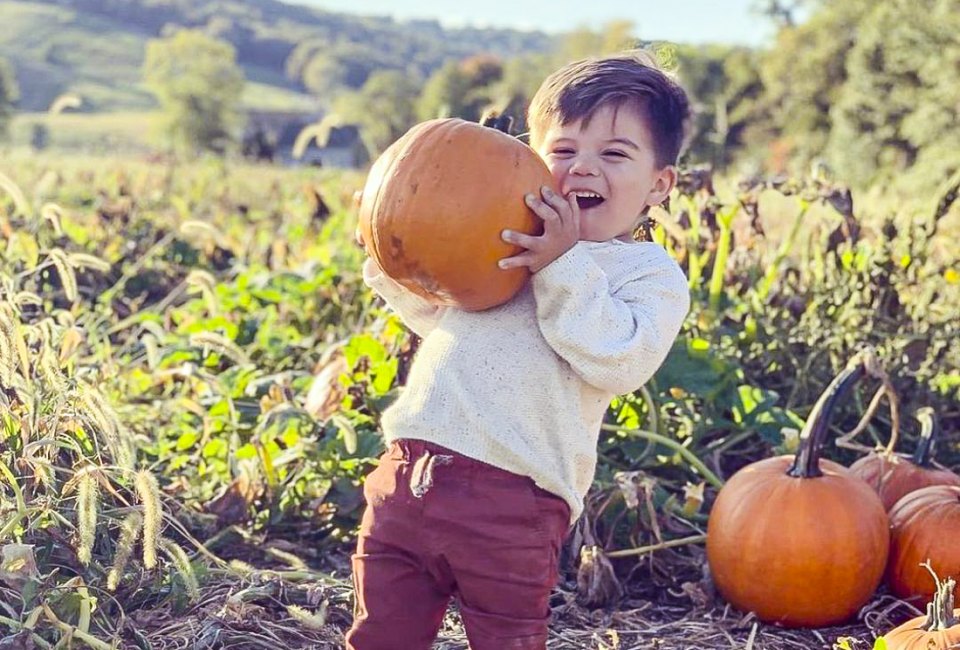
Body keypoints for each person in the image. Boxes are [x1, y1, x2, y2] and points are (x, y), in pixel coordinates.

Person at [346, 49, 692, 650]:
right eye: (562, 151)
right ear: (531, 158)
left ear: (659, 185)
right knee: (381, 634)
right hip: (408, 474)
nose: (582, 170)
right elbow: (445, 314)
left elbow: (618, 358)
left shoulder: (644, 276)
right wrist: (390, 254)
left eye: (613, 154)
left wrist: (559, 265)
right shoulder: (499, 232)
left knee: (506, 638)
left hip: (512, 503)